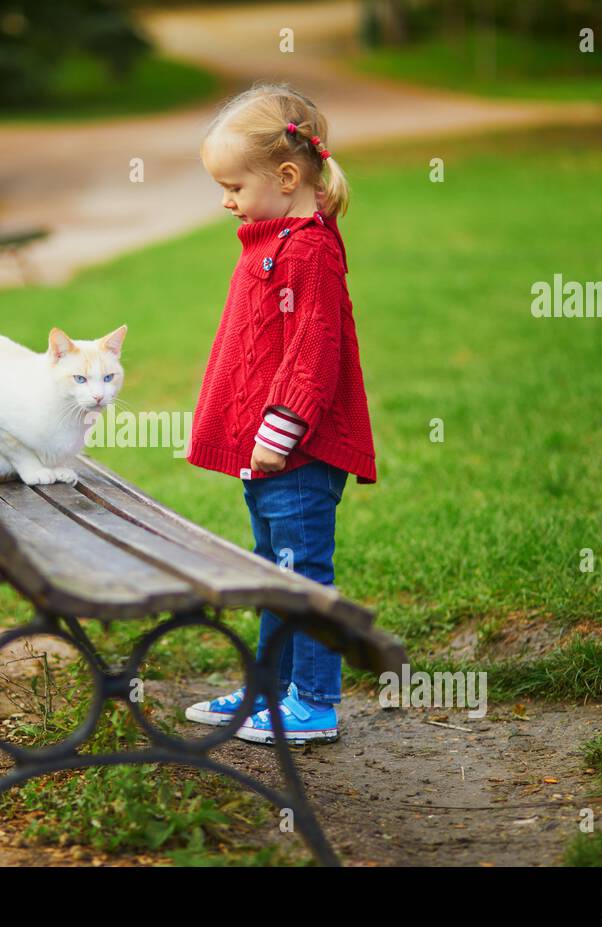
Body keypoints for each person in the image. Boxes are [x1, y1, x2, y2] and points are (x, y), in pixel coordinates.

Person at [183, 82, 378, 744]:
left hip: (298, 452)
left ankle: (315, 703)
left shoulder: (309, 249)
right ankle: (271, 689)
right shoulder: (271, 239)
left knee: (301, 575)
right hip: (267, 453)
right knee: (273, 572)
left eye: (234, 185)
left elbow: (313, 352)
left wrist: (280, 429)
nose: (226, 199)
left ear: (288, 176)